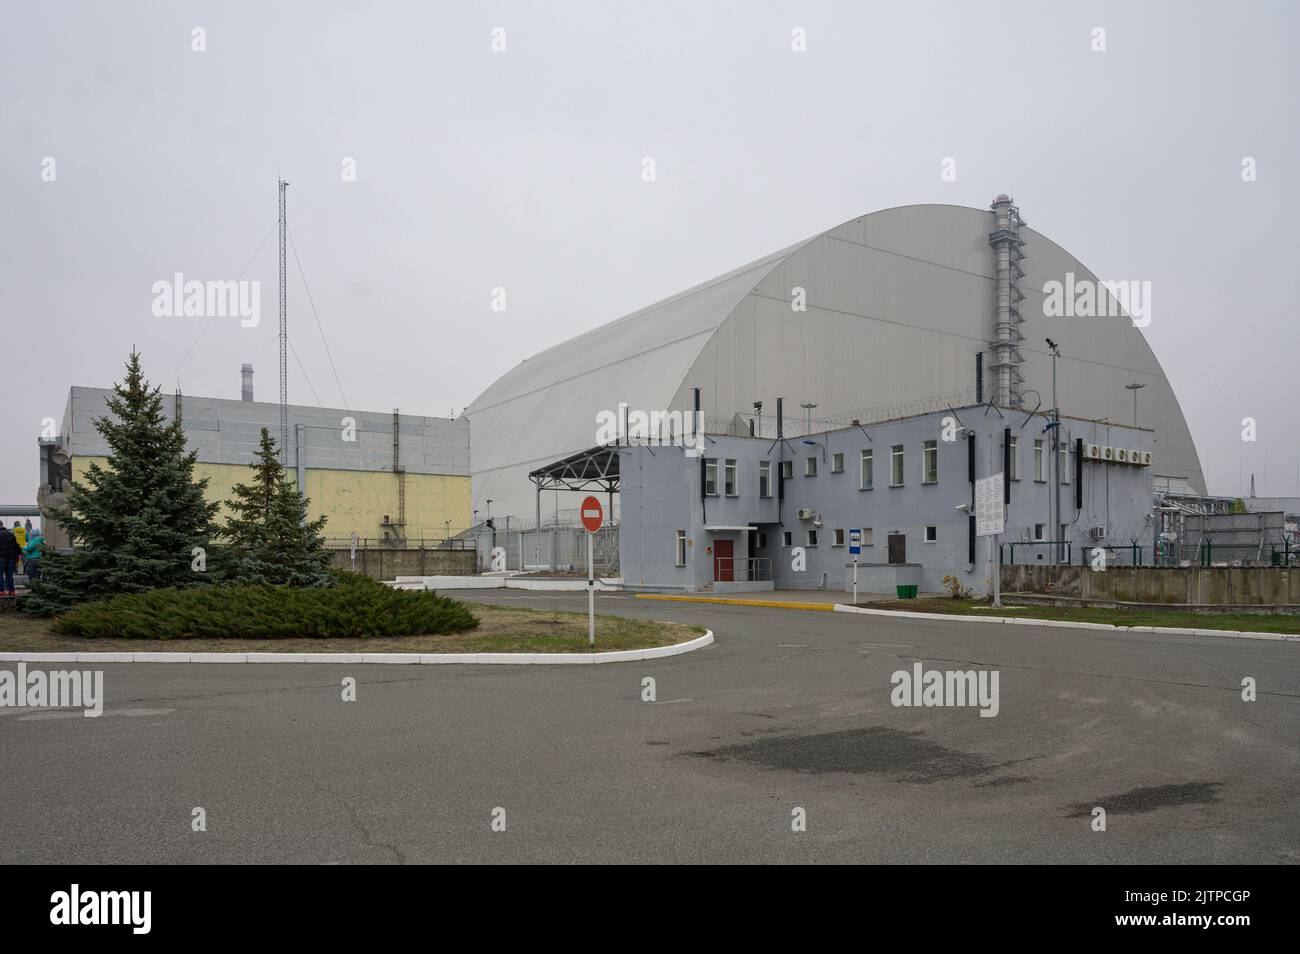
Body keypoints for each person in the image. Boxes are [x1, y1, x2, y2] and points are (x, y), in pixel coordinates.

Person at [0, 524, 19, 596]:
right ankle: (12, 591)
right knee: (9, 575)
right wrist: (16, 558)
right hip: (10, 558)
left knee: (0, 575)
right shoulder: (11, 534)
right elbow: (16, 546)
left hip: (0, 558)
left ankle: (1, 591)